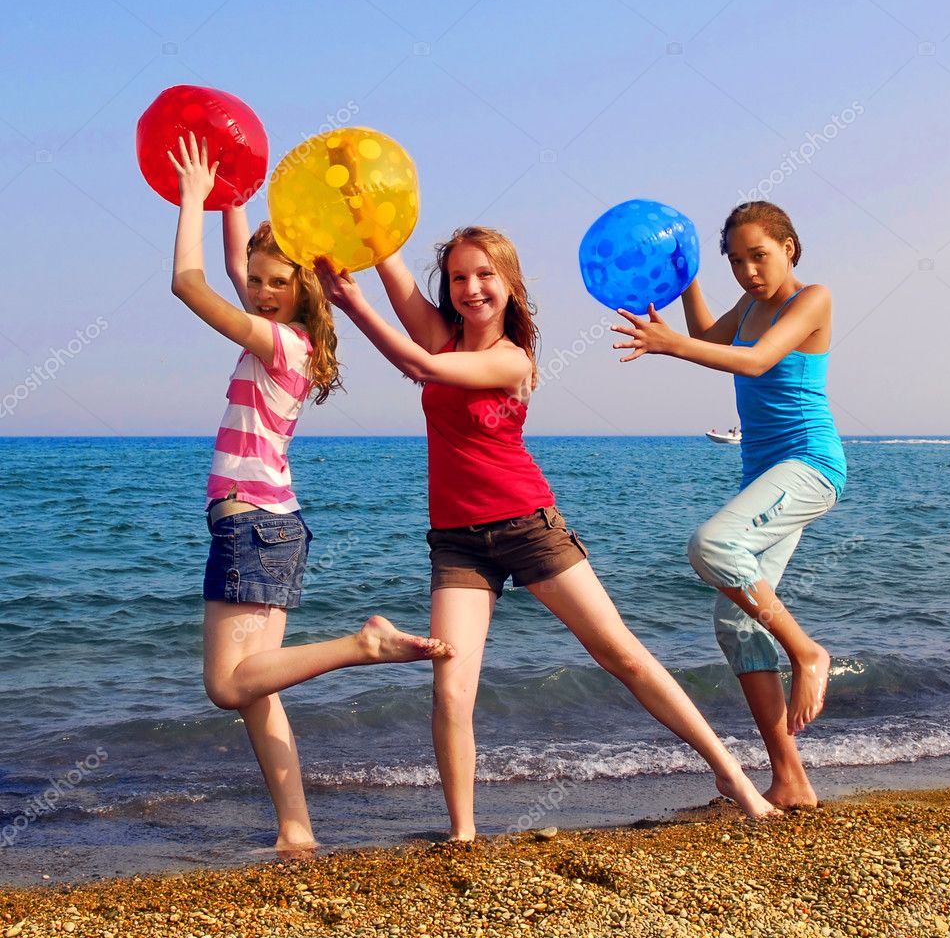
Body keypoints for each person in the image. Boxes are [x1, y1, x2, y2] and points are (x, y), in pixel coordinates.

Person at [314, 226, 780, 842]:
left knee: (621, 655)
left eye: (485, 275)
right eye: (458, 277)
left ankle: (734, 777)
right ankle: (462, 834)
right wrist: (365, 215)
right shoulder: (443, 332)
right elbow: (392, 268)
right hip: (457, 540)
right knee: (451, 688)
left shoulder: (510, 357)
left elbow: (416, 364)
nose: (471, 287)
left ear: (509, 285)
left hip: (527, 525)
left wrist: (352, 305)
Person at [167, 133, 452, 852]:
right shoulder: (293, 336)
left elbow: (189, 284)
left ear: (302, 287)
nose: (259, 291)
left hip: (251, 524)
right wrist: (232, 198)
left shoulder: (278, 342)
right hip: (276, 524)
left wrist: (193, 201)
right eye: (257, 282)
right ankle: (296, 828)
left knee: (226, 687)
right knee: (256, 687)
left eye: (274, 282)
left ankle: (365, 644)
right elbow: (235, 266)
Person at [611, 200, 846, 808]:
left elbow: (754, 359)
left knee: (711, 545)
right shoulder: (749, 304)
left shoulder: (810, 299)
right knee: (736, 623)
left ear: (789, 247)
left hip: (810, 467)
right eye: (735, 262)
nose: (747, 272)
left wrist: (669, 347)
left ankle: (806, 651)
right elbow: (708, 338)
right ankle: (790, 777)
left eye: (758, 256)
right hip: (764, 474)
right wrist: (688, 277)